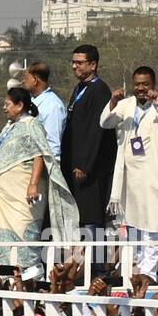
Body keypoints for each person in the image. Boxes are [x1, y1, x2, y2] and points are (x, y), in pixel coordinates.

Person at [0, 88, 79, 272]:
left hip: (24, 191)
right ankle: (5, 273)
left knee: (24, 230)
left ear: (20, 105)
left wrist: (33, 184)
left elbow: (39, 155)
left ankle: (31, 273)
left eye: (7, 104)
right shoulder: (8, 127)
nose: (4, 108)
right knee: (2, 235)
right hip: (4, 193)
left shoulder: (32, 124)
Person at [99, 67, 158, 278]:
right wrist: (113, 102)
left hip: (154, 175)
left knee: (154, 223)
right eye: (137, 84)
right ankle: (136, 268)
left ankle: (149, 273)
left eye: (145, 84)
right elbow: (105, 122)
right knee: (131, 223)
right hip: (128, 175)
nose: (141, 88)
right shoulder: (126, 105)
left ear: (153, 84)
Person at [61, 45, 117, 258]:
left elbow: (97, 130)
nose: (75, 66)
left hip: (91, 168)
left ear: (93, 65)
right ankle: (80, 262)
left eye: (80, 62)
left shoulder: (99, 90)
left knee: (92, 215)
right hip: (73, 163)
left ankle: (97, 265)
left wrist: (85, 164)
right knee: (80, 215)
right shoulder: (79, 88)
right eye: (73, 62)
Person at [22, 62, 65, 161]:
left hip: (46, 169)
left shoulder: (52, 106)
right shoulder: (32, 103)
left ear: (35, 80)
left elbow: (54, 144)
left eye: (26, 78)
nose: (23, 81)